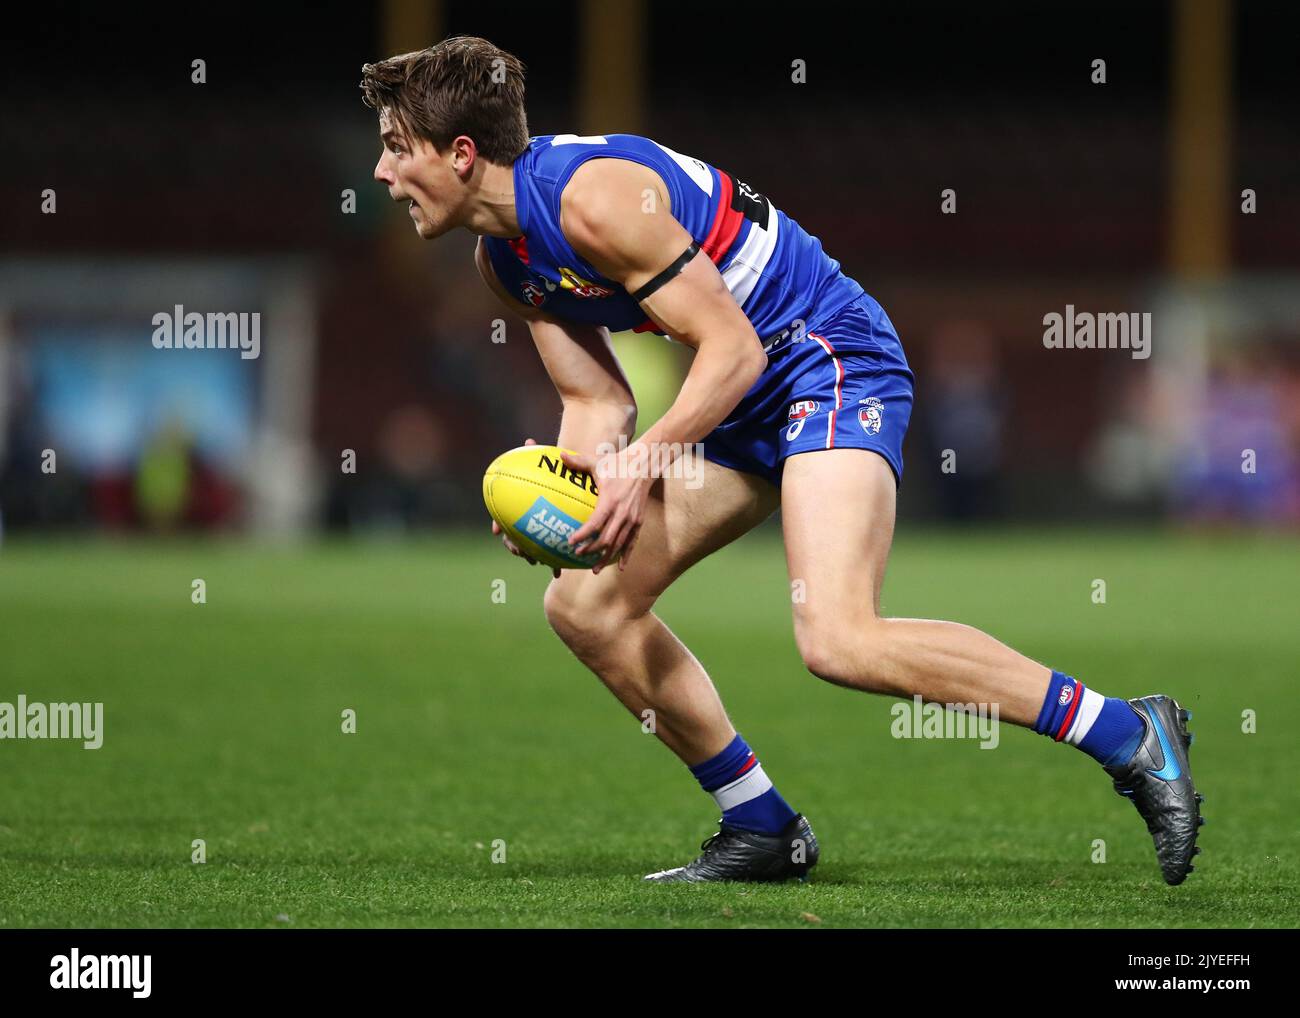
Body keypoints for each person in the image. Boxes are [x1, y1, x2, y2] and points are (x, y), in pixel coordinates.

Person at [362, 36, 1202, 885]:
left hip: (826, 356)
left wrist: (643, 463)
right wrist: (570, 503)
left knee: (839, 637)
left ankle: (1130, 735)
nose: (382, 172)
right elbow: (596, 402)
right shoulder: (504, 259)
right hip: (737, 391)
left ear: (461, 154)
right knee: (584, 606)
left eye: (398, 147)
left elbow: (732, 350)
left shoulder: (593, 200)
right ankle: (760, 825)